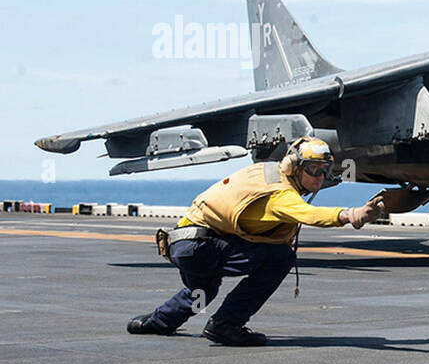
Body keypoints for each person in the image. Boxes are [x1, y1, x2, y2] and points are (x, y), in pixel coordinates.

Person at [127, 136, 382, 346]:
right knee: (279, 258)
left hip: (187, 245)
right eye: (314, 170)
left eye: (325, 172)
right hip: (198, 246)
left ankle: (160, 322)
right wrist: (351, 214)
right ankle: (226, 324)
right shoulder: (280, 195)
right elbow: (309, 214)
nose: (319, 178)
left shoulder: (265, 172)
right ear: (294, 166)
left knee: (204, 290)